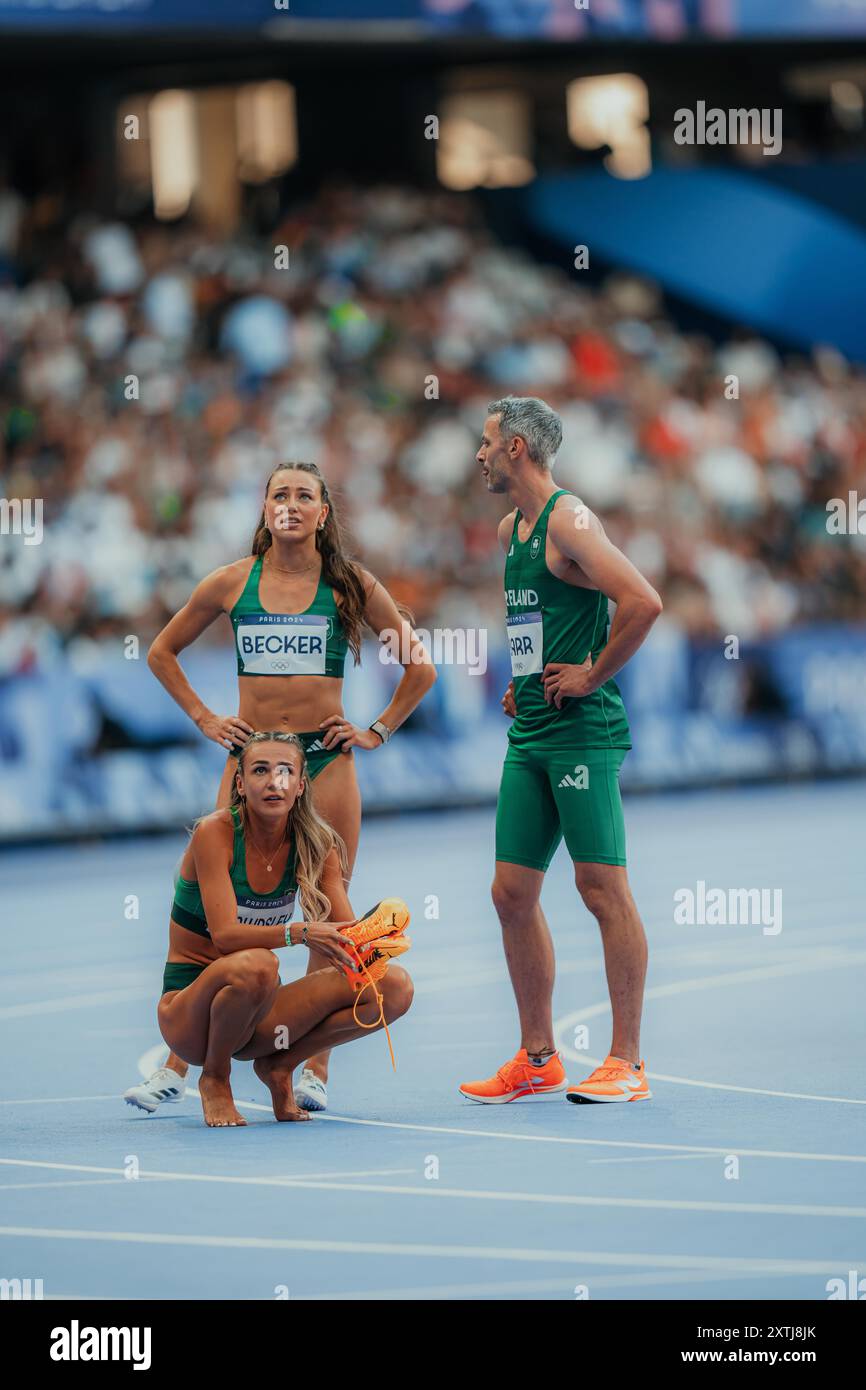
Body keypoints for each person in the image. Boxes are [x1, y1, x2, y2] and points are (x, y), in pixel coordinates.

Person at [125, 461, 434, 1114]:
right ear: (264, 509)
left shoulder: (350, 585)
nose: (291, 503)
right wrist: (206, 718)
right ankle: (179, 1063)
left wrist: (375, 729)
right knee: (220, 911)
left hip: (326, 762)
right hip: (251, 765)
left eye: (305, 495)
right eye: (279, 494)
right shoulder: (232, 582)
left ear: (324, 513)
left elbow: (421, 668)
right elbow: (160, 652)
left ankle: (310, 1069)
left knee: (328, 910)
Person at [460, 396, 662, 1105]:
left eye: (486, 443)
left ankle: (627, 1062)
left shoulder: (568, 519)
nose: (478, 454)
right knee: (510, 894)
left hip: (582, 730)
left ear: (517, 447)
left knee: (601, 889)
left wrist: (589, 674)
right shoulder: (510, 527)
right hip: (533, 732)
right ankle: (539, 1057)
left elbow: (642, 602)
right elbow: (536, 619)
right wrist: (526, 678)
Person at [157, 731, 413, 1127]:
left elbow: (344, 932)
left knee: (395, 988)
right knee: (259, 965)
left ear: (300, 784)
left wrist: (371, 940)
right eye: (260, 770)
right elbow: (225, 935)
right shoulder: (216, 834)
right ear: (240, 784)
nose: (273, 782)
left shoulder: (316, 843)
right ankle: (214, 1076)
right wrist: (302, 932)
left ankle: (280, 1064)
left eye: (285, 771)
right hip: (190, 1018)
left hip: (256, 1015)